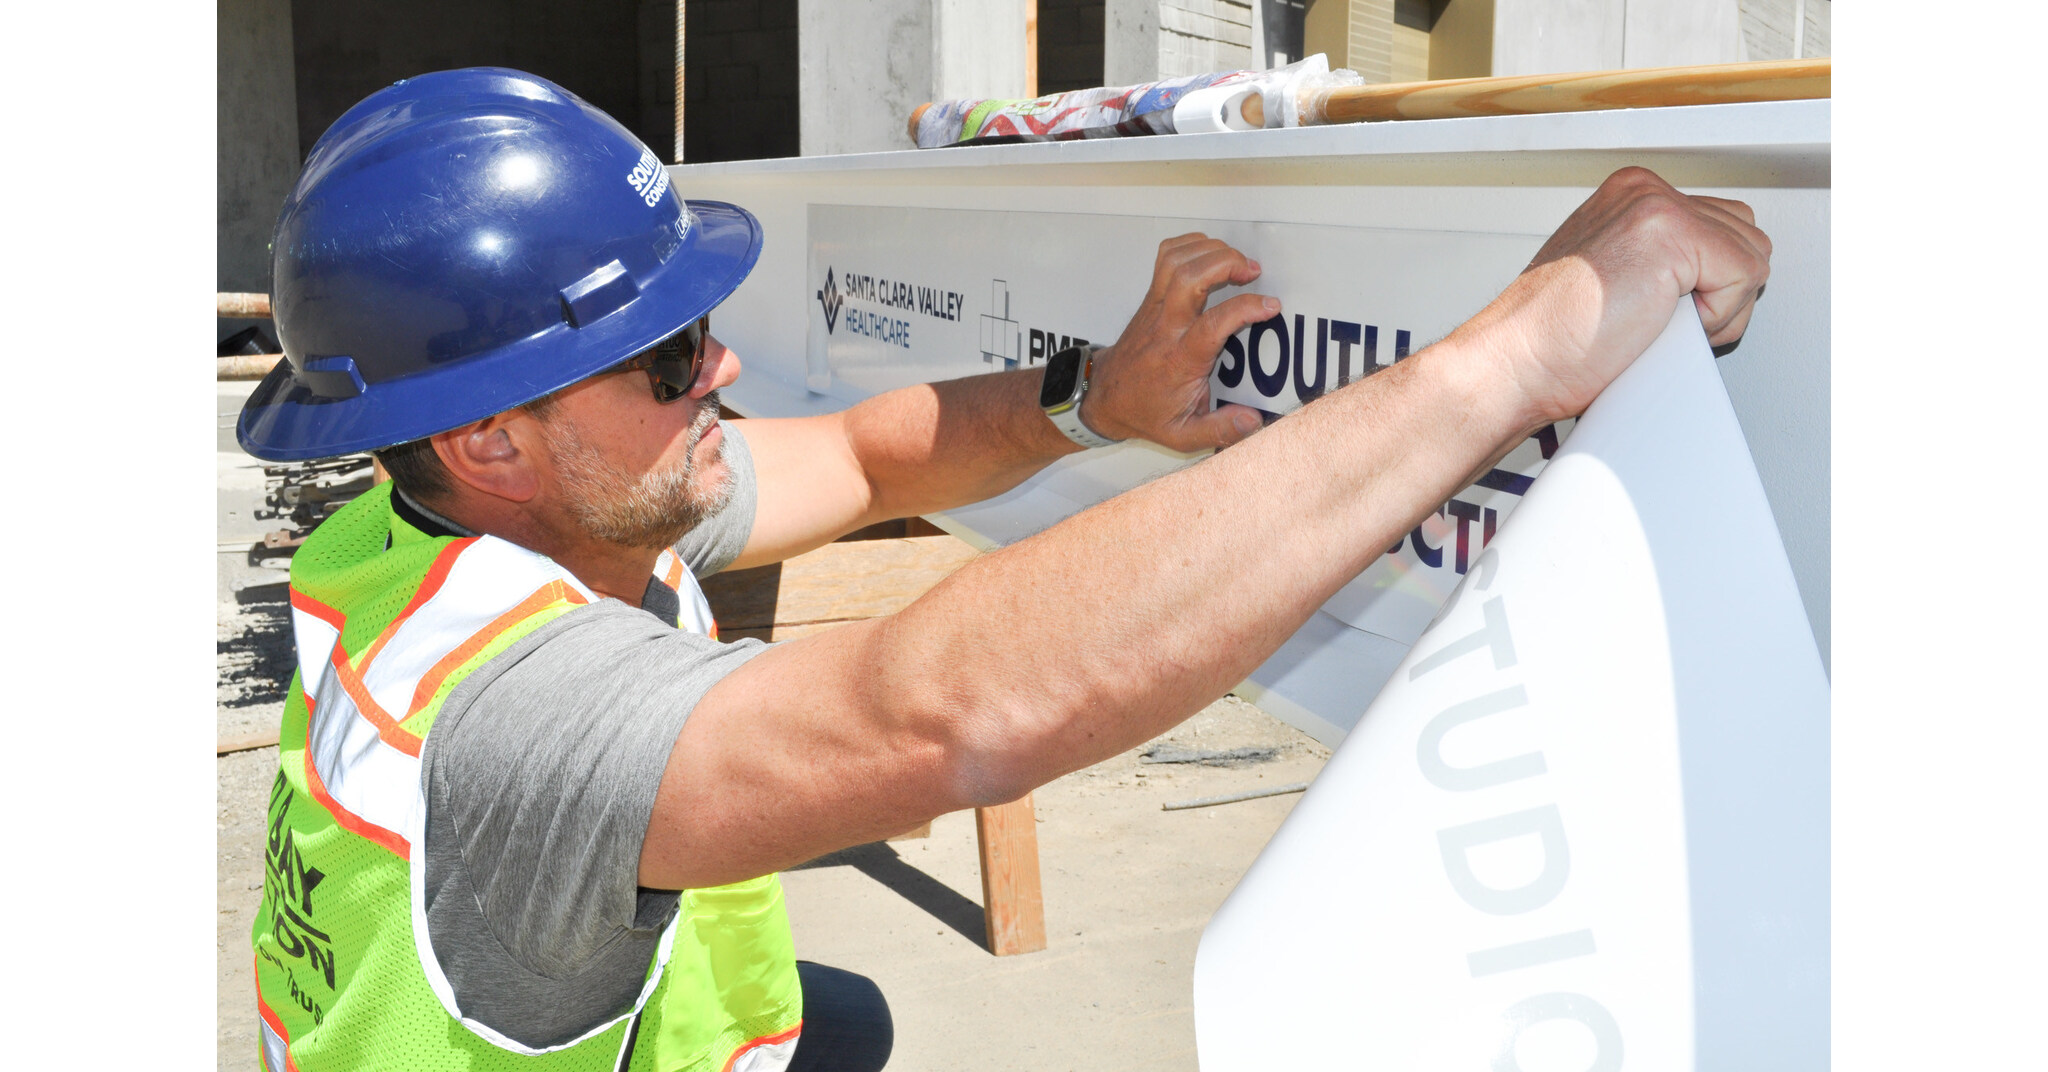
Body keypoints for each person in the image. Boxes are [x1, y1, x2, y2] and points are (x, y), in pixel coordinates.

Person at [241, 68, 1770, 1072]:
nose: (717, 366)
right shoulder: (515, 716)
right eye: (658, 354)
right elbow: (947, 713)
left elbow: (856, 457)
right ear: (496, 440)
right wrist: (1512, 358)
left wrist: (1091, 400)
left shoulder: (484, 523)